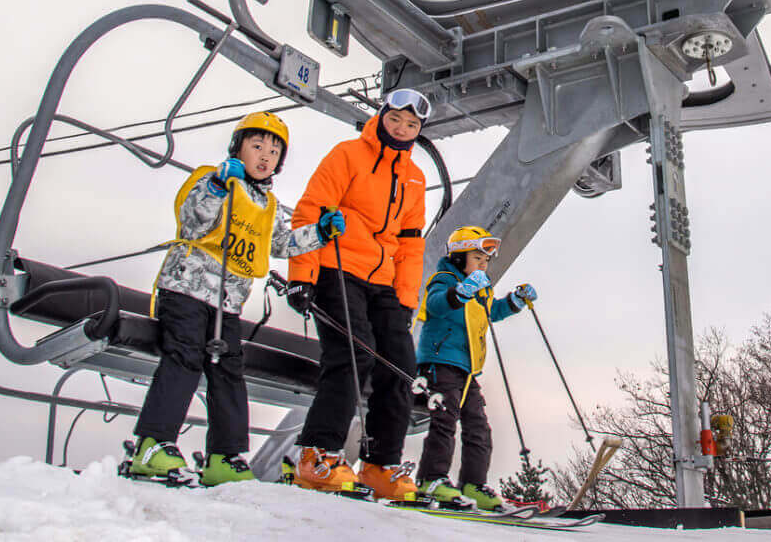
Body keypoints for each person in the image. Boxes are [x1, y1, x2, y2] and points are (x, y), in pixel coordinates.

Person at [128, 112, 343, 486]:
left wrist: (319, 234)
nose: (264, 157)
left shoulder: (268, 204)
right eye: (256, 146)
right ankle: (153, 442)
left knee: (228, 370)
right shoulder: (214, 178)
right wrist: (216, 185)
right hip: (189, 289)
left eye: (273, 152)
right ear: (238, 148)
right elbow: (192, 219)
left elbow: (281, 243)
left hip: (227, 301)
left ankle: (224, 455)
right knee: (185, 356)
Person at [285, 89, 432, 499]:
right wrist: (302, 275)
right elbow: (311, 210)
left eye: (412, 125)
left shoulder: (415, 178)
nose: (402, 129)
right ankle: (318, 452)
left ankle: (379, 464)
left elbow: (410, 244)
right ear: (382, 116)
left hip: (383, 280)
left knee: (401, 364)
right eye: (396, 120)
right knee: (354, 351)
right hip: (336, 267)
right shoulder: (348, 154)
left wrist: (405, 299)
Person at [413, 225, 538, 511]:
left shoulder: (481, 291)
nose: (483, 265)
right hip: (440, 361)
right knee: (445, 421)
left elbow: (492, 311)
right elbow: (434, 305)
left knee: (478, 427)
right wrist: (459, 293)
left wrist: (515, 302)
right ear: (459, 258)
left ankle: (473, 483)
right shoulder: (444, 279)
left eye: (485, 261)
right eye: (477, 259)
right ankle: (431, 479)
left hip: (468, 368)